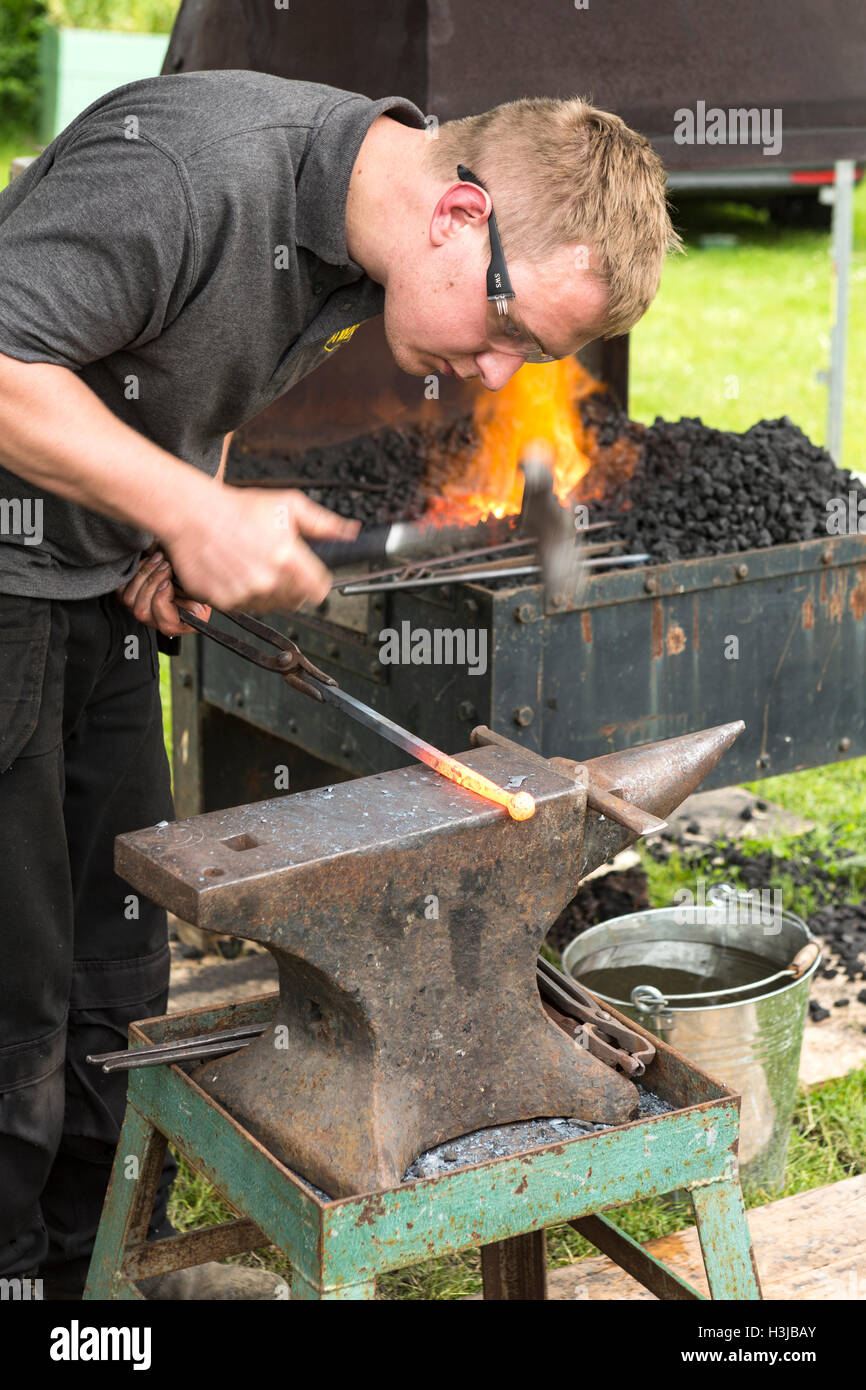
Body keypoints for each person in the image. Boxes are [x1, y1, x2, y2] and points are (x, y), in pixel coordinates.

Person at [0, 70, 677, 1298]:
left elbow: (166, 363)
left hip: (84, 586)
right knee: (12, 1001)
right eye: (511, 331)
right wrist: (188, 506)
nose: (492, 371)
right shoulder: (184, 172)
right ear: (458, 216)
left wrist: (163, 522)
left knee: (118, 968)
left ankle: (77, 1286)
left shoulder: (355, 240)